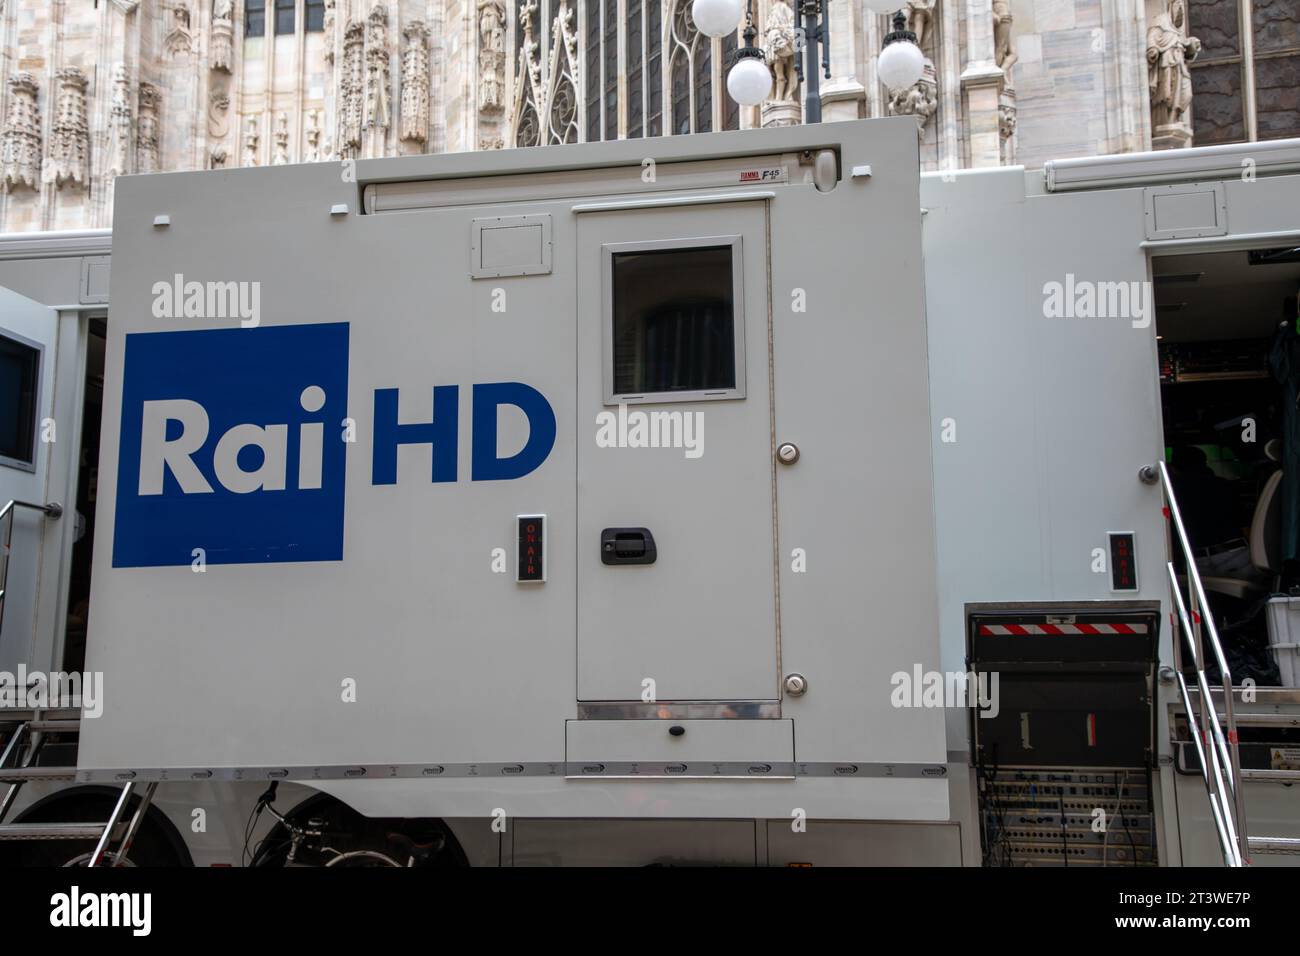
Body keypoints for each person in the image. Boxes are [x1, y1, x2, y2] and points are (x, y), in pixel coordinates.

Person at [1168, 445, 1255, 578]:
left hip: (1197, 562)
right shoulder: (1224, 486)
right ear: (1205, 463)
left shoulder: (1171, 494)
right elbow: (1245, 527)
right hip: (1236, 556)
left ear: (1174, 469)